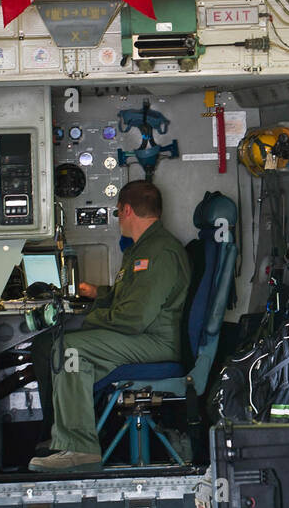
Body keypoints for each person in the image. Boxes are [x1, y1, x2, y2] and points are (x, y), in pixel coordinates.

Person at [28, 180, 191, 471]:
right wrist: (97, 294)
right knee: (50, 345)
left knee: (70, 349)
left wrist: (89, 319)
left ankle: (79, 449)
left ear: (126, 210)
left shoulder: (159, 252)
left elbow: (134, 318)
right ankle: (62, 433)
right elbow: (130, 297)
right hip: (141, 336)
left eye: (117, 213)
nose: (118, 221)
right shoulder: (142, 250)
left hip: (153, 342)